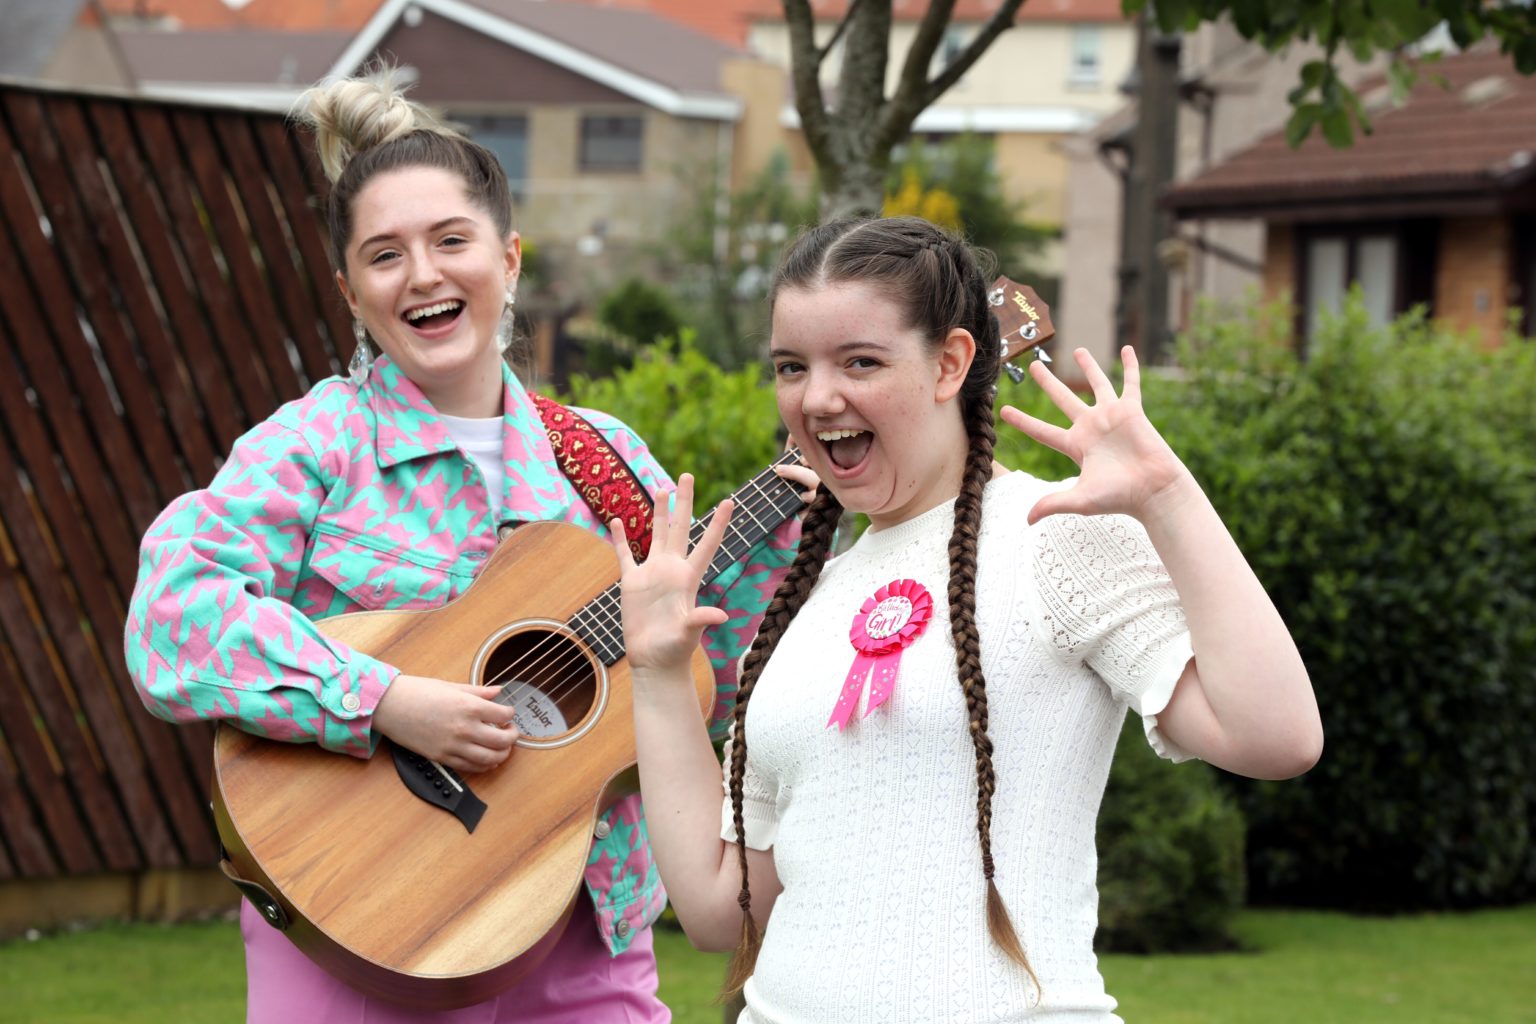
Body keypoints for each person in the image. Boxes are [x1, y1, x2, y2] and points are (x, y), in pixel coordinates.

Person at [123, 69, 811, 1023]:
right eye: (385, 255)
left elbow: (701, 685)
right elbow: (172, 621)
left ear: (511, 258)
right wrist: (385, 699)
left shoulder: (606, 460)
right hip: (369, 909)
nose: (425, 274)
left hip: (583, 916)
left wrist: (790, 522)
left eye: (452, 241)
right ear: (350, 291)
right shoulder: (316, 446)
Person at [612, 215, 1324, 1023]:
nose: (816, 397)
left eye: (860, 362)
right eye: (790, 366)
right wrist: (660, 674)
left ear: (951, 362)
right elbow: (716, 912)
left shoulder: (1054, 537)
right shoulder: (800, 605)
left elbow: (1277, 737)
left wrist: (1166, 497)